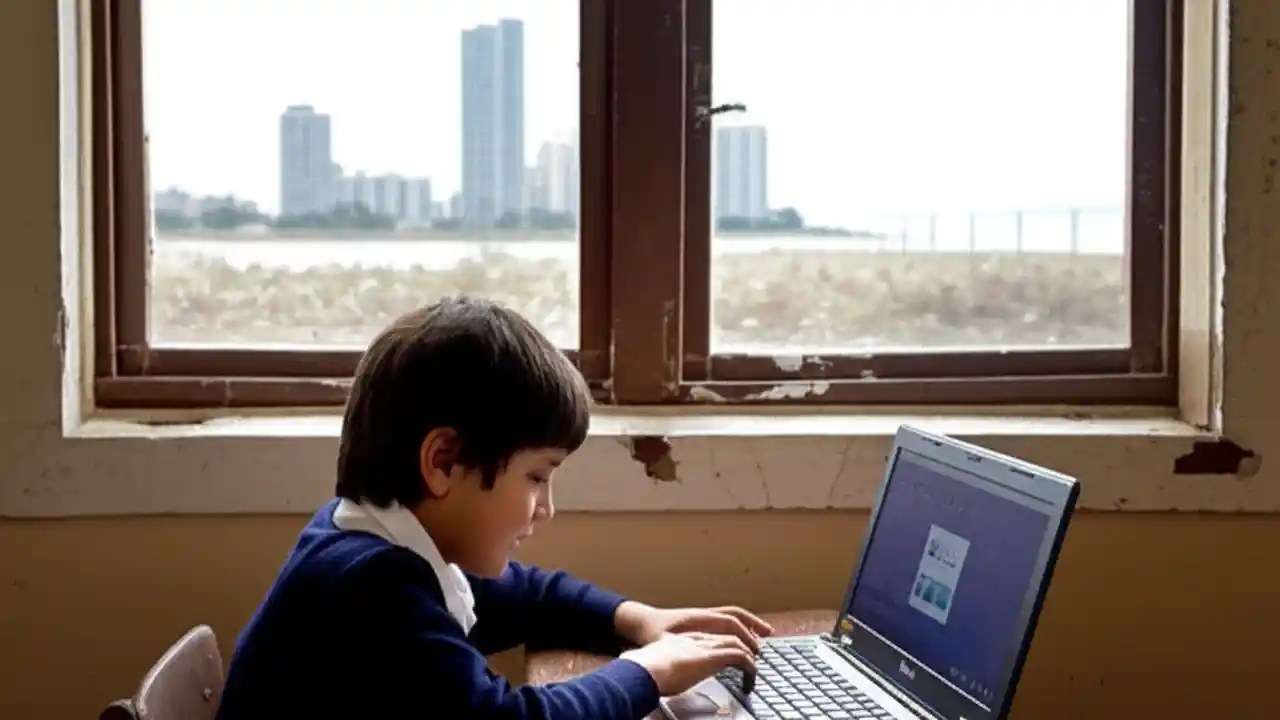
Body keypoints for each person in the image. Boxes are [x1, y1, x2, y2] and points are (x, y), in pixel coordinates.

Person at [215, 296, 774, 720]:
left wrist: (637, 619)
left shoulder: (361, 540)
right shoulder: (374, 592)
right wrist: (646, 673)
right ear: (443, 462)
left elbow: (522, 596)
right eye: (536, 477)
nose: (546, 508)